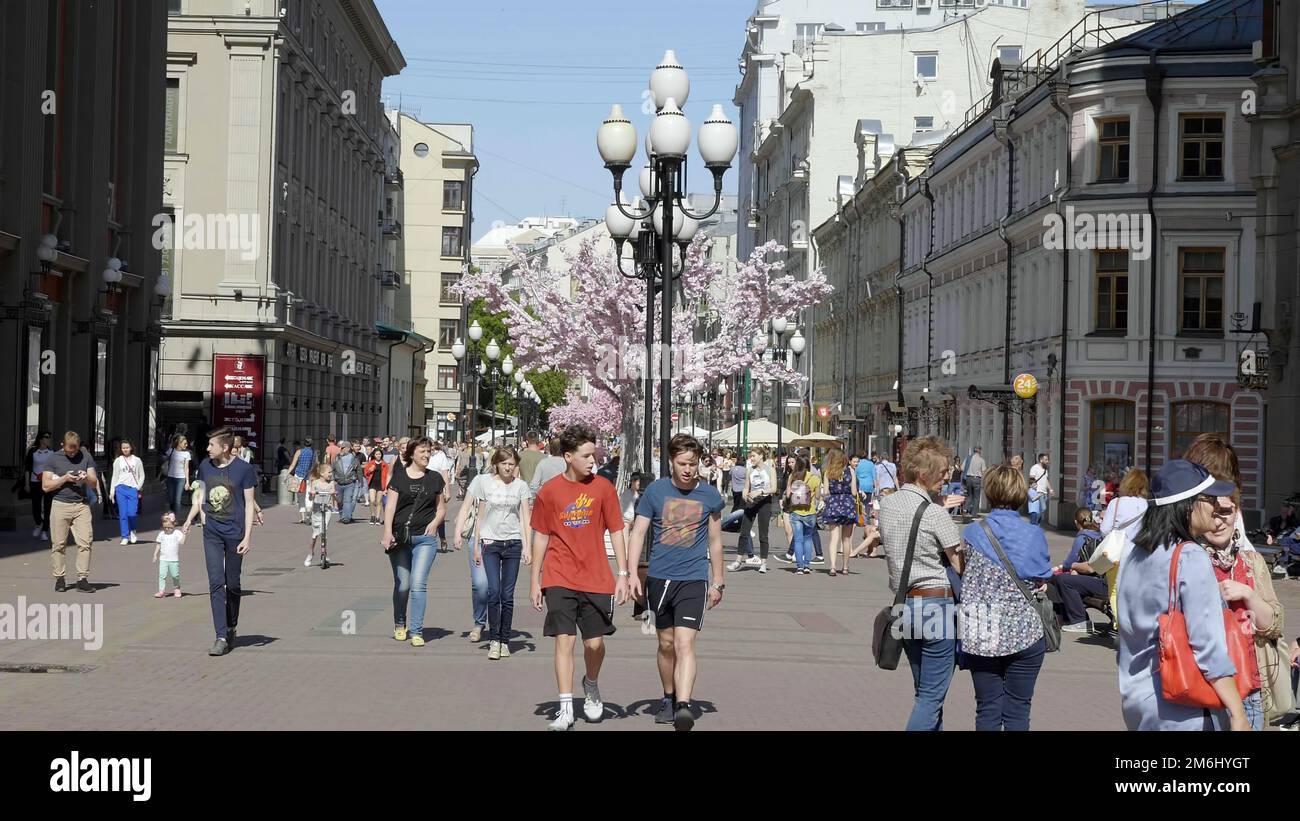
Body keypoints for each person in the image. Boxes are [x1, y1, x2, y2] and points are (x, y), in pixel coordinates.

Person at [1117, 460, 1249, 731]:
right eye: (1210, 498)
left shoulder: (1135, 552)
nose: (1216, 508)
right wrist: (1237, 711)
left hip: (1138, 700)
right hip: (1183, 703)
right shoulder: (1190, 556)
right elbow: (1208, 646)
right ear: (1188, 503)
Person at [528, 424, 629, 731]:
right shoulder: (550, 491)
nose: (592, 460)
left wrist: (623, 574)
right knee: (564, 640)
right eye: (586, 455)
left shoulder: (603, 488)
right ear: (568, 457)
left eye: (594, 454)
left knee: (594, 644)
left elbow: (617, 530)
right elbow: (541, 536)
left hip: (596, 575)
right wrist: (535, 578)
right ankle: (565, 707)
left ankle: (592, 682)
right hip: (559, 575)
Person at [627, 434, 725, 731]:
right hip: (658, 577)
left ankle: (683, 705)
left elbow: (716, 540)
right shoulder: (655, 492)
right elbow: (638, 533)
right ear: (670, 461)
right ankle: (668, 697)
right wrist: (631, 573)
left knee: (685, 643)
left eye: (692, 464)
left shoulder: (709, 495)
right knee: (666, 644)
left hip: (694, 578)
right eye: (682, 463)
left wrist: (718, 580)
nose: (687, 469)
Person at [878, 436, 965, 731]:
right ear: (923, 473)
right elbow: (959, 564)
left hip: (906, 606)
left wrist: (935, 503)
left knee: (925, 693)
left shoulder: (887, 505)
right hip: (936, 605)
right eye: (942, 473)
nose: (946, 479)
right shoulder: (935, 514)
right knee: (931, 697)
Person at [957, 464, 1052, 730]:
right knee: (1018, 709)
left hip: (982, 631)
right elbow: (1042, 575)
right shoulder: (1033, 534)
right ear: (1021, 494)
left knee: (987, 708)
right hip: (1025, 632)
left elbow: (966, 573)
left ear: (989, 492)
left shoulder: (974, 533)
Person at [1200, 492, 1283, 729]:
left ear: (1236, 513)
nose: (1218, 522)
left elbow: (1273, 627)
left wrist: (1248, 594)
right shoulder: (1189, 559)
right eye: (1211, 514)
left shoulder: (1251, 561)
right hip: (1204, 692)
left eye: (1225, 512)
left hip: (1250, 690)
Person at [183, 427, 258, 656]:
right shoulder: (205, 467)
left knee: (232, 584)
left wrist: (247, 536)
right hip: (212, 533)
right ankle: (221, 636)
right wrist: (202, 517)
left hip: (235, 533)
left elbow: (248, 504)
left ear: (224, 447)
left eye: (211, 445)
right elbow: (201, 493)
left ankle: (232, 625)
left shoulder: (244, 469)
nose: (207, 449)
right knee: (216, 583)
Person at [467, 447, 533, 660]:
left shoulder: (521, 487)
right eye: (504, 463)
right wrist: (476, 545)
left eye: (512, 464)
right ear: (496, 463)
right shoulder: (486, 484)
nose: (508, 467)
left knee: (507, 595)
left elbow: (525, 518)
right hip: (490, 543)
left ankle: (505, 641)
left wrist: (527, 547)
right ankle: (494, 640)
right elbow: (480, 517)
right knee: (493, 592)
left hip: (513, 543)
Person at [381, 437, 447, 648]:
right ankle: (400, 623)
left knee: (418, 584)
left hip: (425, 539)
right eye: (422, 451)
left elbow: (441, 508)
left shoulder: (435, 478)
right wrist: (387, 532)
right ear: (411, 454)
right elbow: (390, 507)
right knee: (403, 584)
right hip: (400, 538)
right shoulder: (399, 478)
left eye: (429, 452)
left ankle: (417, 630)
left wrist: (436, 523)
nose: (426, 455)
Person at [43, 431, 99, 593]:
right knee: (59, 544)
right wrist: (64, 478)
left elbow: (94, 483)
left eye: (75, 450)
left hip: (81, 505)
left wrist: (85, 478)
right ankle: (60, 579)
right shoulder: (53, 458)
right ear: (62, 445)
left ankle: (82, 579)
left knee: (85, 542)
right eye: (69, 451)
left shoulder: (85, 456)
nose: (73, 453)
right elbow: (46, 486)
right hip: (60, 504)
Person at [1047, 509, 1107, 633]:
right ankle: (1073, 617)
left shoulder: (1082, 536)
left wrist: (1064, 567)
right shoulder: (1100, 534)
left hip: (1095, 577)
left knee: (1057, 579)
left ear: (1076, 522)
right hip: (1100, 576)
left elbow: (1070, 563)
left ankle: (1071, 618)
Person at [730, 448, 776, 573]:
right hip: (751, 502)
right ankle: (738, 561)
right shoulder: (749, 470)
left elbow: (774, 488)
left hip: (764, 502)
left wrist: (760, 492)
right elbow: (746, 487)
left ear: (761, 456)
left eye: (754, 456)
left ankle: (763, 562)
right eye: (751, 456)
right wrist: (745, 495)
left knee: (763, 533)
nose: (751, 458)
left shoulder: (770, 469)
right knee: (744, 531)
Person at [819, 448, 859, 576]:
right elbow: (854, 492)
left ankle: (832, 567)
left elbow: (825, 492)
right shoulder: (850, 471)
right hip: (847, 504)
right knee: (846, 539)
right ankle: (845, 567)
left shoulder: (828, 472)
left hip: (833, 504)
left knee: (833, 537)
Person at [782, 456, 819, 574]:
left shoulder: (792, 476)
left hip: (795, 511)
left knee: (798, 540)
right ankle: (807, 565)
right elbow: (818, 496)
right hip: (810, 511)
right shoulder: (814, 478)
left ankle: (799, 566)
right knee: (808, 538)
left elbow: (788, 495)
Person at [110, 439, 145, 545]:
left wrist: (137, 487)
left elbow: (142, 475)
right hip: (120, 488)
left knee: (132, 513)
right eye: (123, 448)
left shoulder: (137, 460)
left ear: (131, 448)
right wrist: (112, 491)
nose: (125, 449)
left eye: (127, 447)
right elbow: (115, 476)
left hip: (132, 489)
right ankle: (124, 536)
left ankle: (133, 530)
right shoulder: (118, 461)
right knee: (123, 514)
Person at [304, 461, 338, 568]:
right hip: (317, 510)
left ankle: (324, 553)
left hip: (327, 509)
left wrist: (334, 498)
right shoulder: (316, 482)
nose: (330, 474)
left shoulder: (331, 483)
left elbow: (333, 495)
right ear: (322, 473)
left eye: (331, 472)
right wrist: (312, 494)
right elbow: (311, 496)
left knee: (324, 532)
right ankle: (310, 553)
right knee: (315, 534)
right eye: (329, 472)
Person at [24, 431, 55, 540]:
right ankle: (38, 523)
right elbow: (27, 468)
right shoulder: (33, 451)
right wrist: (27, 483)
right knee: (35, 506)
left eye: (49, 437)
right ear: (41, 439)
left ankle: (44, 531)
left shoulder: (51, 452)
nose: (48, 439)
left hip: (47, 482)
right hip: (35, 481)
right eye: (46, 437)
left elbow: (55, 468)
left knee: (47, 507)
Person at [153, 511, 185, 598]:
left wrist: (185, 534)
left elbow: (182, 542)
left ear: (174, 525)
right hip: (163, 559)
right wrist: (155, 555)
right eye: (165, 527)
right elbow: (158, 545)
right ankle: (161, 590)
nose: (167, 529)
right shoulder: (161, 534)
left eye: (169, 527)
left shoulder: (177, 533)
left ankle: (177, 588)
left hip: (173, 559)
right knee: (162, 575)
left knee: (175, 575)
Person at [330, 439, 362, 524]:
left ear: (348, 448)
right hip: (338, 482)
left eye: (343, 448)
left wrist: (360, 482)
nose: (341, 449)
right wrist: (333, 480)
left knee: (347, 500)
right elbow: (332, 470)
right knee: (339, 501)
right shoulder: (337, 458)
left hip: (350, 483)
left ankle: (346, 518)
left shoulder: (354, 458)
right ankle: (342, 515)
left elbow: (359, 470)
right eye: (341, 448)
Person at [286, 438, 316, 524]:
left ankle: (302, 517)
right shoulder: (314, 453)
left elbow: (293, 465)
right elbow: (315, 465)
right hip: (310, 476)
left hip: (298, 475)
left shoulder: (299, 452)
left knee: (300, 497)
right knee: (309, 496)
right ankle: (308, 516)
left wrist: (287, 474)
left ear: (304, 443)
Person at [162, 434, 192, 518]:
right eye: (184, 443)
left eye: (187, 443)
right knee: (171, 499)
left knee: (177, 500)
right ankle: (172, 513)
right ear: (179, 443)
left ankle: (175, 518)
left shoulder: (187, 454)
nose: (186, 445)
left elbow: (186, 468)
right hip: (170, 477)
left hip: (181, 478)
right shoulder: (171, 451)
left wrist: (187, 482)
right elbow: (164, 459)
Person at [364, 447, 390, 525]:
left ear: (381, 455)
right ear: (374, 455)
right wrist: (370, 470)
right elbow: (366, 473)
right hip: (372, 483)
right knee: (372, 500)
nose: (378, 455)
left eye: (379, 454)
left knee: (379, 502)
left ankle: (378, 517)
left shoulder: (384, 464)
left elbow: (387, 475)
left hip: (381, 484)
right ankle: (372, 516)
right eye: (376, 454)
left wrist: (386, 487)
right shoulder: (371, 463)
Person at [1027, 453, 1054, 526]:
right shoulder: (1034, 468)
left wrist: (1050, 489)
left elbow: (1046, 480)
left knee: (1041, 513)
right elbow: (1031, 479)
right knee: (1043, 508)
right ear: (1041, 460)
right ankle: (1034, 523)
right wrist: (1033, 487)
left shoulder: (1045, 469)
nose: (1047, 461)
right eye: (1046, 460)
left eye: (1047, 459)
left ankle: (1036, 525)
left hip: (1044, 493)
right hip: (1038, 492)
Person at [962, 446, 986, 515]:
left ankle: (965, 509)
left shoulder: (968, 458)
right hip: (976, 479)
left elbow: (962, 468)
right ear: (980, 451)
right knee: (976, 497)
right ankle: (974, 513)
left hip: (968, 478)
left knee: (969, 495)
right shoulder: (981, 460)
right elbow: (984, 471)